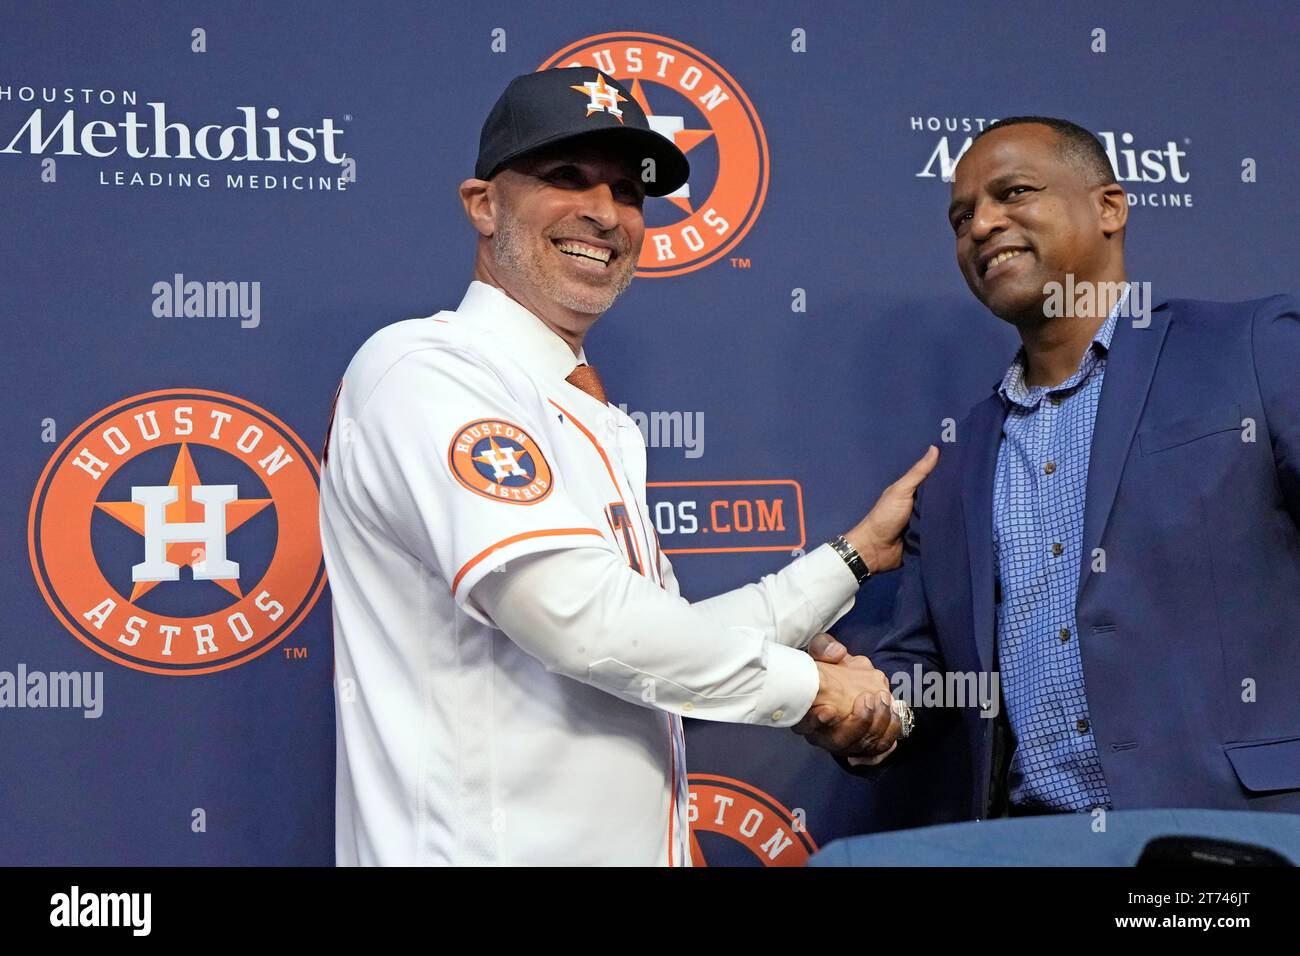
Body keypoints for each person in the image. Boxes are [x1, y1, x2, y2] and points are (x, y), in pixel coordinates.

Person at [318, 67, 936, 865]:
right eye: (566, 177)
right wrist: (812, 689)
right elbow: (579, 618)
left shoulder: (589, 411)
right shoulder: (429, 368)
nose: (603, 214)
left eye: (628, 190)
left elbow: (657, 639)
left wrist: (852, 559)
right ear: (483, 204)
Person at [798, 116, 1300, 819]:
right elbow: (935, 679)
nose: (981, 225)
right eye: (962, 216)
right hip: (1036, 842)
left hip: (1247, 832)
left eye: (1014, 193)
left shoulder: (1250, 348)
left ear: (1110, 208)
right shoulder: (956, 464)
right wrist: (870, 711)